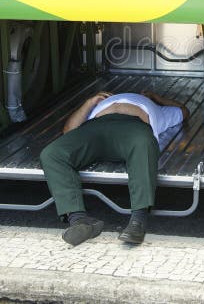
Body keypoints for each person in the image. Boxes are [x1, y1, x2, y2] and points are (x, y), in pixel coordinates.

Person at [39, 90, 189, 246]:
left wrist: (158, 98)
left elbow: (184, 111)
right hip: (95, 127)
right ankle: (79, 220)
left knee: (145, 144)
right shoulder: (98, 105)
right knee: (52, 153)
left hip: (134, 127)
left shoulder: (156, 109)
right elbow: (68, 130)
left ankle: (137, 221)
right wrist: (89, 102)